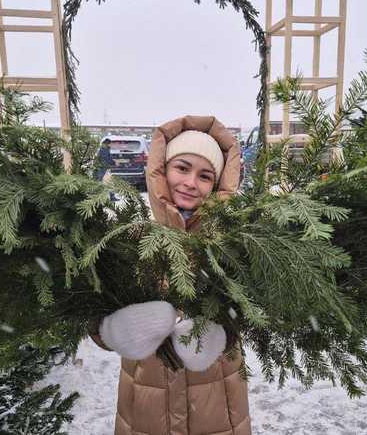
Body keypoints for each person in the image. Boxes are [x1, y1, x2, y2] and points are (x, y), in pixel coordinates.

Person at [90, 115, 251, 435]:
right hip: (146, 414)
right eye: (182, 168)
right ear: (162, 172)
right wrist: (112, 330)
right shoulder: (131, 240)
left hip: (216, 412)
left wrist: (223, 334)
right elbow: (89, 311)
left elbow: (255, 314)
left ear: (218, 185)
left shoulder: (233, 244)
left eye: (205, 176)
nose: (191, 183)